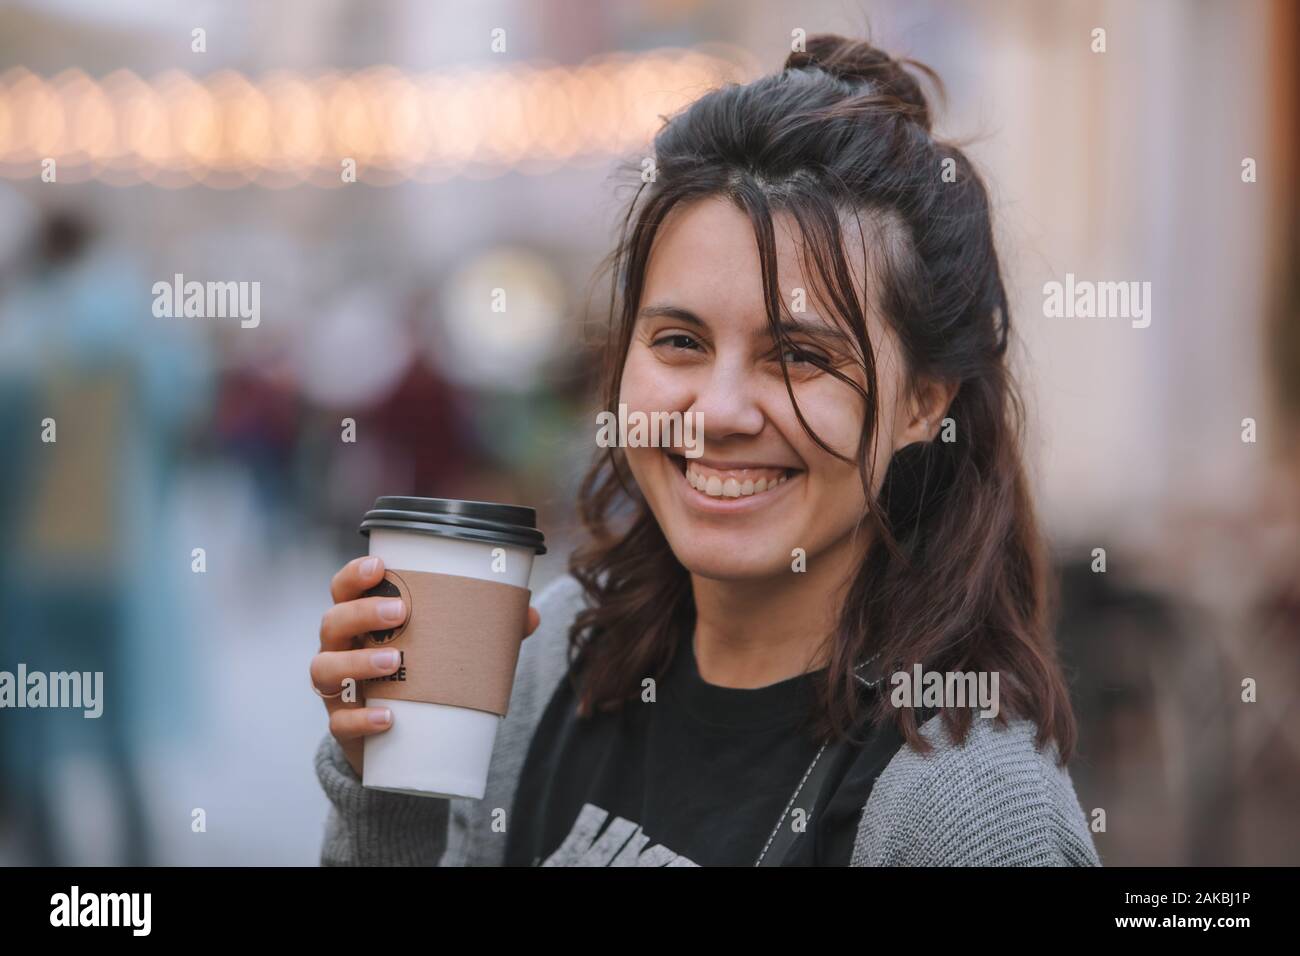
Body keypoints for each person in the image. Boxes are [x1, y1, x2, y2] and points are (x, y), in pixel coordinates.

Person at [309, 34, 1101, 866]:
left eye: (800, 356)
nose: (716, 413)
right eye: (680, 340)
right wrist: (386, 786)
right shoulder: (548, 667)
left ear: (922, 403)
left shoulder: (967, 809)